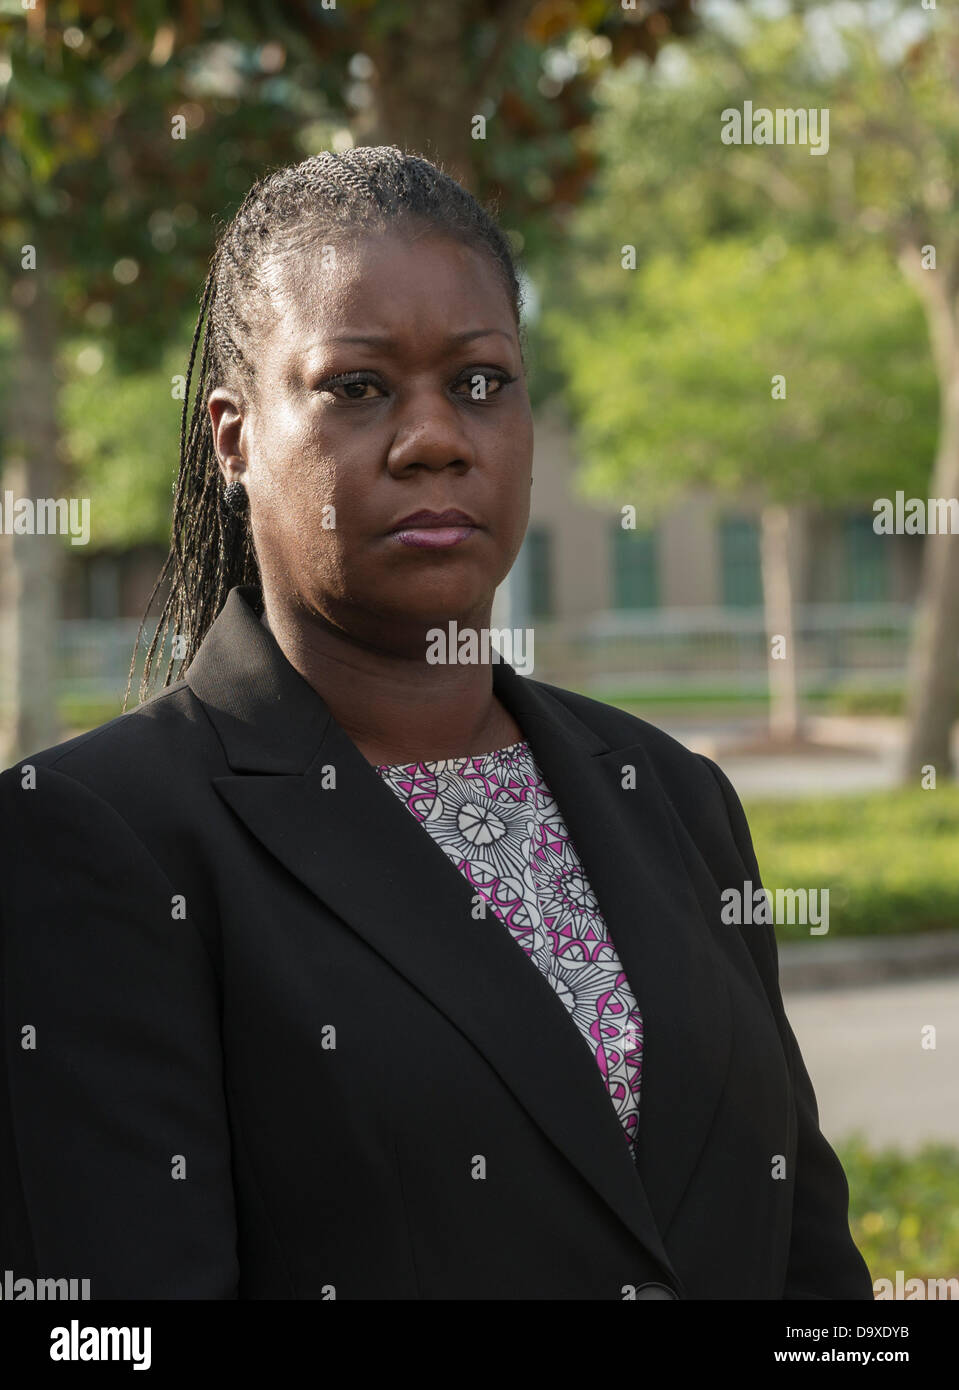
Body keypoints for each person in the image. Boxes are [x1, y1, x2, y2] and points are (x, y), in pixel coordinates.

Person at [0, 146, 873, 1301]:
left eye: (478, 382)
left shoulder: (669, 793)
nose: (434, 439)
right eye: (357, 388)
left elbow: (806, 1262)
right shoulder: (97, 836)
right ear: (232, 440)